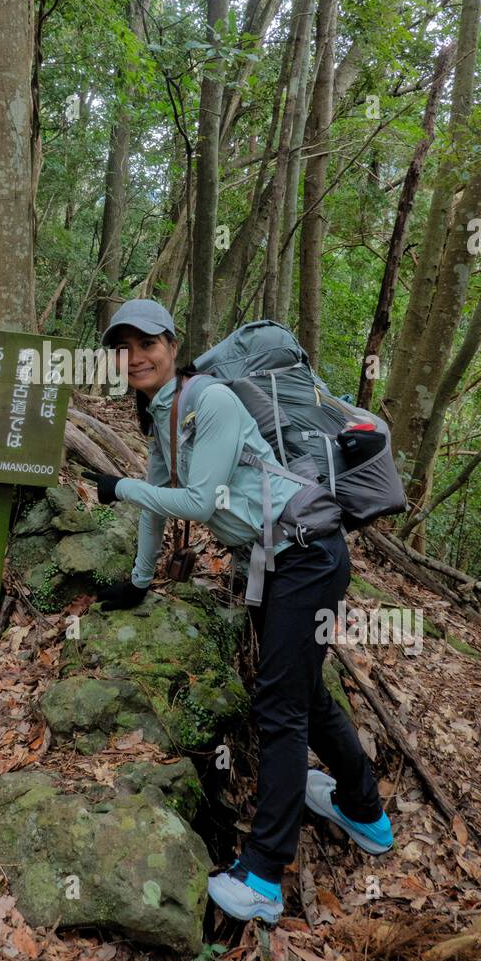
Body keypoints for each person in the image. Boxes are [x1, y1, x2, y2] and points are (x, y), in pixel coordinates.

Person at [90, 298, 393, 924]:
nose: (136, 356)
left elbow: (198, 502)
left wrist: (116, 485)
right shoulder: (162, 419)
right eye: (123, 348)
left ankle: (262, 875)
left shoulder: (214, 401)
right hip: (280, 562)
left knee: (278, 708)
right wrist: (140, 581)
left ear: (173, 346)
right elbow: (156, 507)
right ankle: (364, 812)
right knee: (303, 695)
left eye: (146, 343)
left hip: (306, 557)